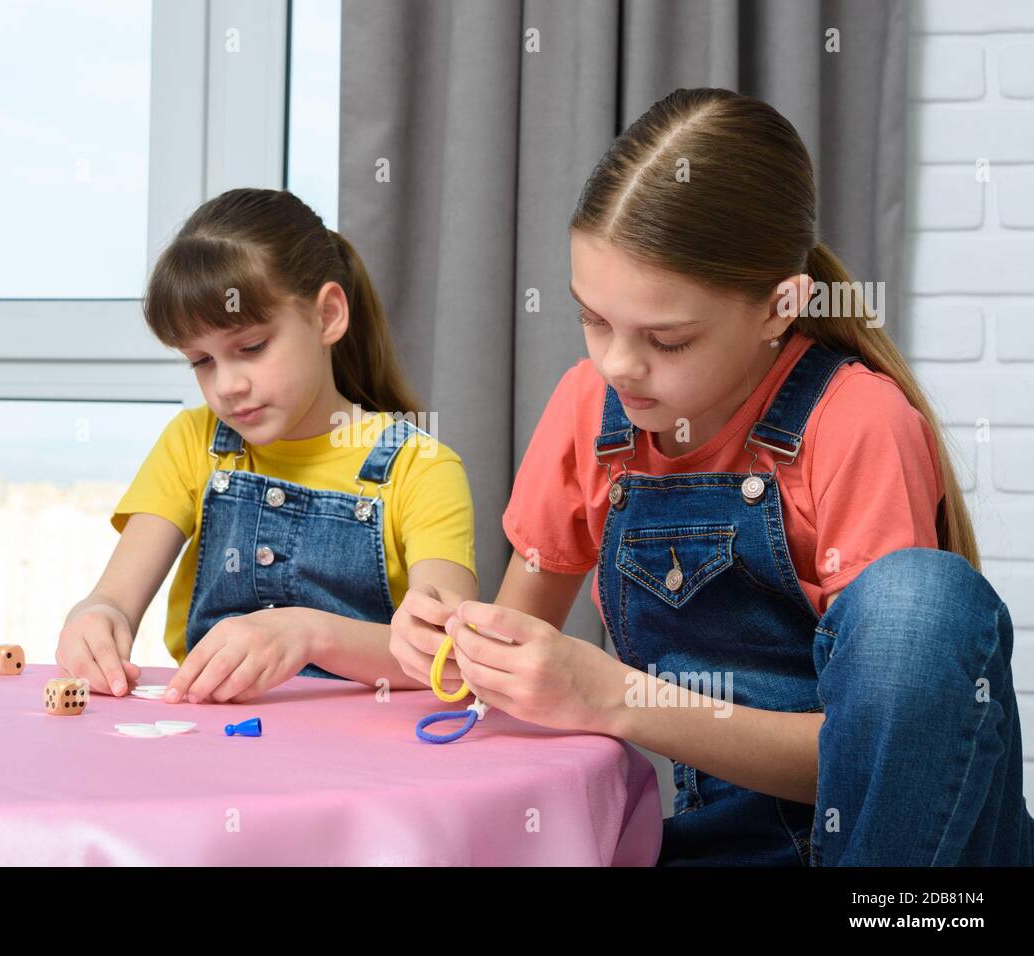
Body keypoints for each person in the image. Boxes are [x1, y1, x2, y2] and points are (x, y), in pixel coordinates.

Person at [392, 88, 1032, 866]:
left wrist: (614, 697)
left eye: (667, 338)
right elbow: (505, 651)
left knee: (918, 601)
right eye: (593, 320)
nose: (618, 364)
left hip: (914, 860)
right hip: (726, 842)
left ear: (778, 308)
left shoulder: (858, 421)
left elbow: (882, 763)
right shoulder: (588, 410)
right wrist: (449, 644)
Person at [60, 188, 478, 705]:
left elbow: (451, 655)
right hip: (213, 745)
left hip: (368, 765)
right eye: (201, 361)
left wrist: (308, 633)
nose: (227, 385)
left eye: (251, 347)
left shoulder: (422, 467)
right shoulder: (192, 443)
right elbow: (112, 601)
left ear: (327, 316)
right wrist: (94, 618)